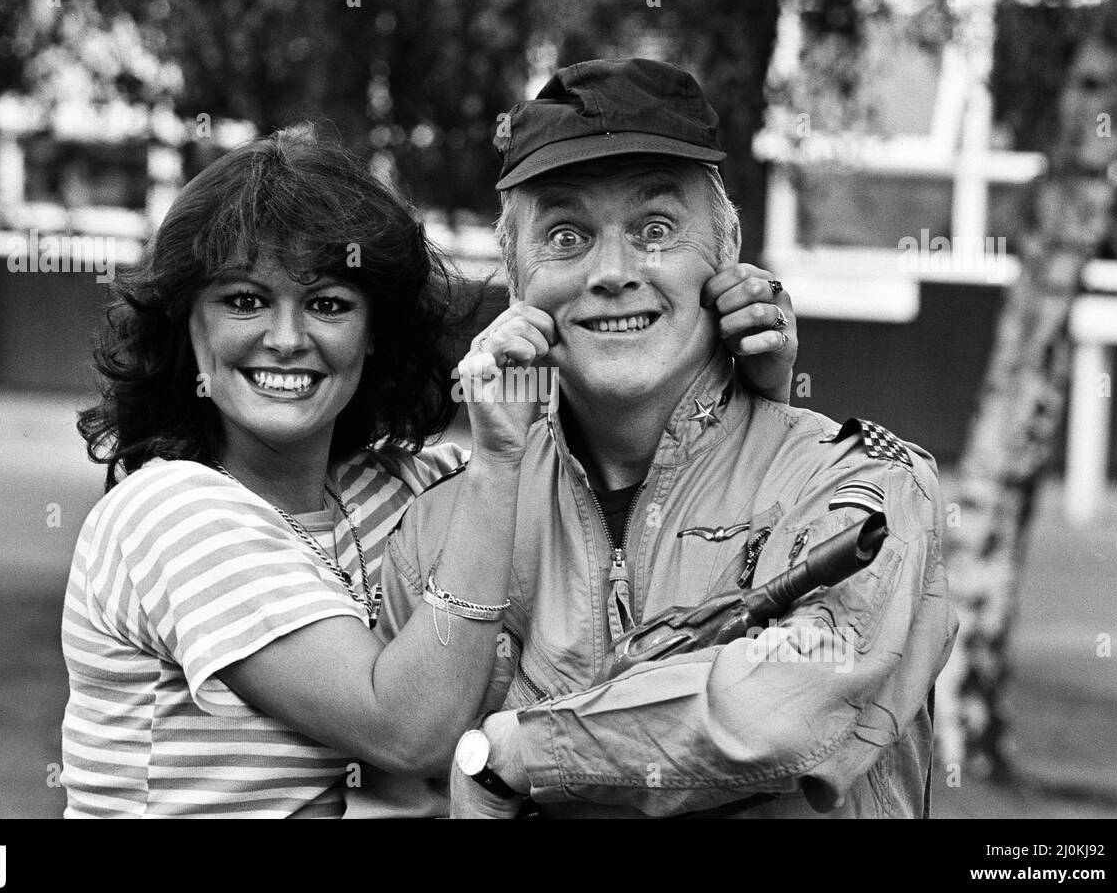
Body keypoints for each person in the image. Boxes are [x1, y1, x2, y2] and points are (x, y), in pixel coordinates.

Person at [61, 127, 797, 817]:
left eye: (327, 303)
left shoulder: (403, 493)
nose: (285, 339)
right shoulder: (170, 513)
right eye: (244, 301)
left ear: (375, 332)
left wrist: (746, 382)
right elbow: (406, 733)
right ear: (188, 322)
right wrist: (501, 458)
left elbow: (621, 507)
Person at [354, 58, 958, 819]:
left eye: (656, 229)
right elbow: (400, 793)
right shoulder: (443, 529)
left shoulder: (859, 484)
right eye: (567, 235)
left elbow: (786, 712)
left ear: (726, 263)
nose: (612, 271)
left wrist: (518, 752)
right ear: (516, 283)